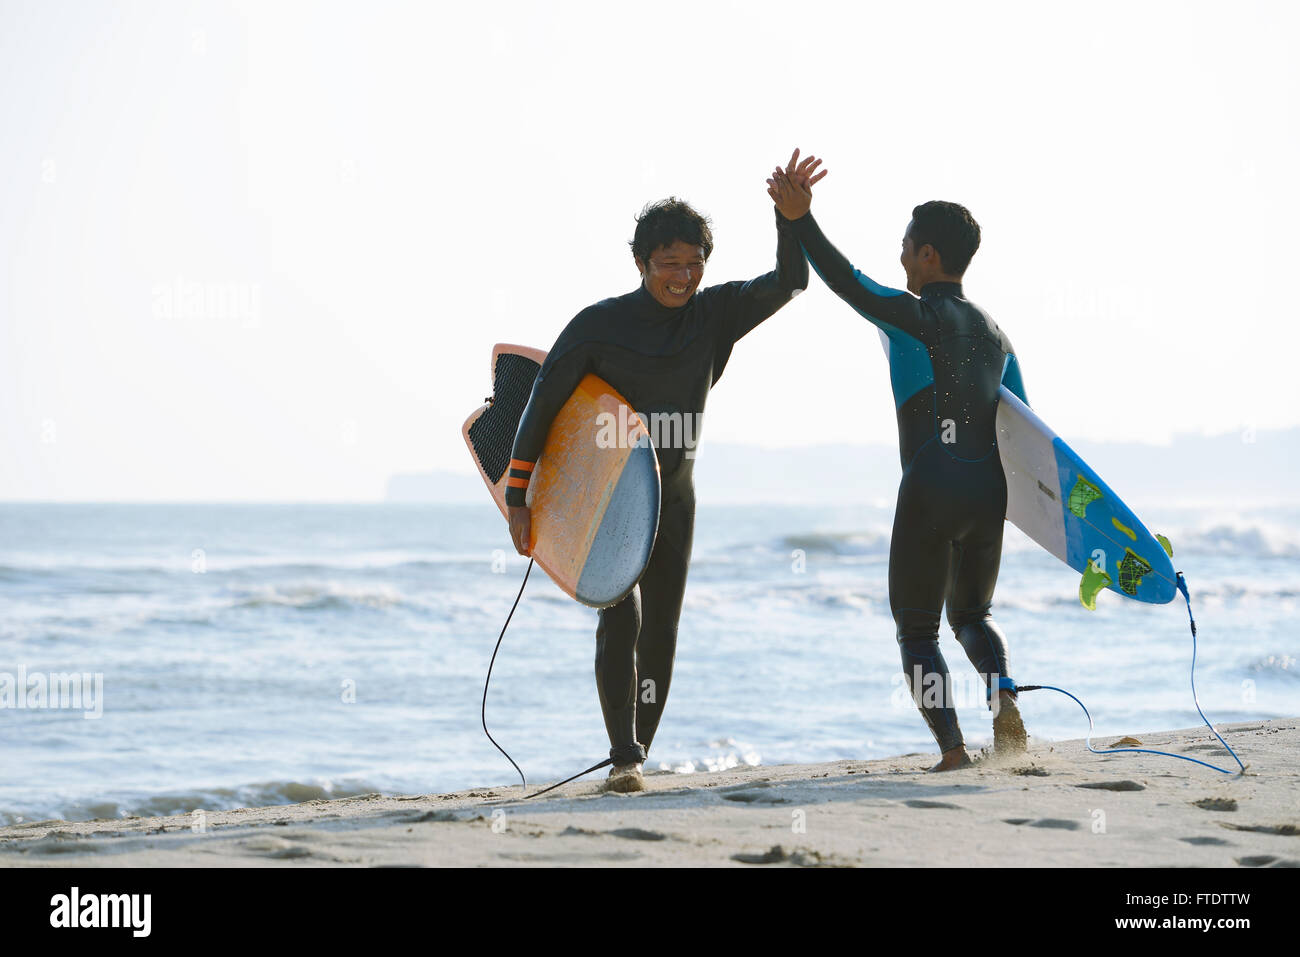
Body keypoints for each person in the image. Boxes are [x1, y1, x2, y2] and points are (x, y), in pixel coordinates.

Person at [505, 166, 815, 791]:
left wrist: (792, 220)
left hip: (676, 494)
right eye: (669, 262)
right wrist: (518, 493)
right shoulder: (599, 324)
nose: (682, 275)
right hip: (610, 497)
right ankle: (623, 755)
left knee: (664, 627)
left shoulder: (716, 313)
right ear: (642, 262)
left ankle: (638, 752)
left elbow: (791, 280)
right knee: (621, 614)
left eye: (694, 261)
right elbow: (542, 403)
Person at [767, 151, 1029, 771]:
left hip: (931, 484)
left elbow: (846, 281)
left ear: (929, 255)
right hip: (987, 490)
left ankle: (954, 751)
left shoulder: (918, 315)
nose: (901, 257)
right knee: (972, 615)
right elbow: (1024, 427)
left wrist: (800, 221)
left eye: (907, 247)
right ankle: (1005, 693)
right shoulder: (996, 334)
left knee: (917, 631)